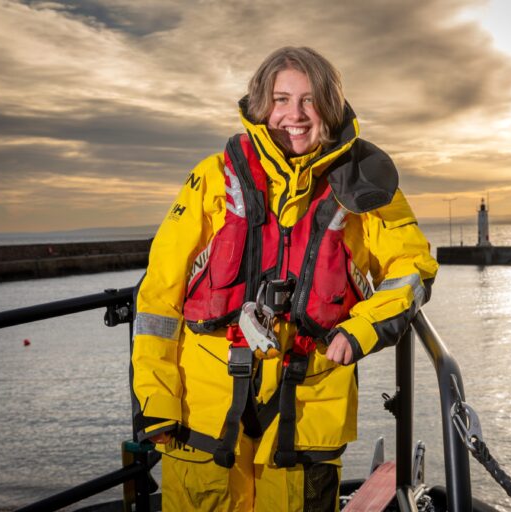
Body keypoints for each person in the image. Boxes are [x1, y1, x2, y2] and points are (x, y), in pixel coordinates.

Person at [131, 46, 438, 511]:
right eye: (281, 100)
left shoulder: (365, 184)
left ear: (330, 107)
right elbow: (158, 299)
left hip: (309, 408)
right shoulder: (212, 178)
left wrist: (361, 329)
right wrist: (157, 401)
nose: (295, 115)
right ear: (261, 105)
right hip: (203, 411)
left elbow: (412, 268)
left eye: (309, 100)